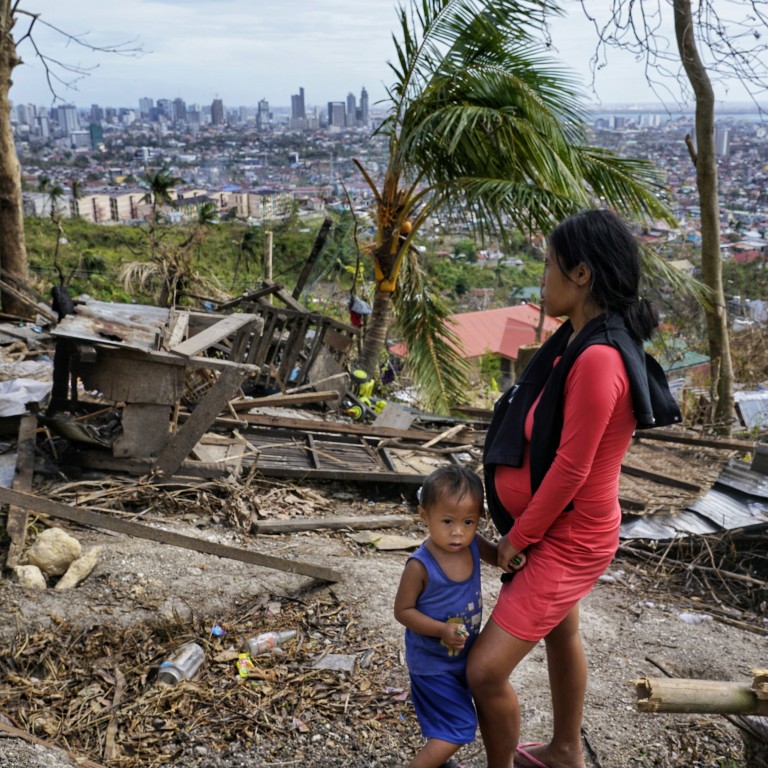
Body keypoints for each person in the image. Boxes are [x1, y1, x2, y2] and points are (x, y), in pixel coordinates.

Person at [467, 209, 682, 768]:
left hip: (568, 538)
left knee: (484, 671)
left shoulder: (599, 358)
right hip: (554, 528)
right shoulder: (578, 340)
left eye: (548, 266)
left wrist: (519, 537)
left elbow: (571, 469)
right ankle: (565, 752)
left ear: (581, 274)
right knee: (562, 636)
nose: (542, 279)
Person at [394, 465, 514, 768]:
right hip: (433, 665)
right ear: (425, 516)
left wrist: (514, 556)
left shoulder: (472, 544)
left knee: (448, 720)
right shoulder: (420, 566)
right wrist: (440, 630)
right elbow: (403, 611)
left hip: (461, 659)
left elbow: (498, 556)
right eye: (447, 521)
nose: (458, 532)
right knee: (458, 729)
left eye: (468, 521)